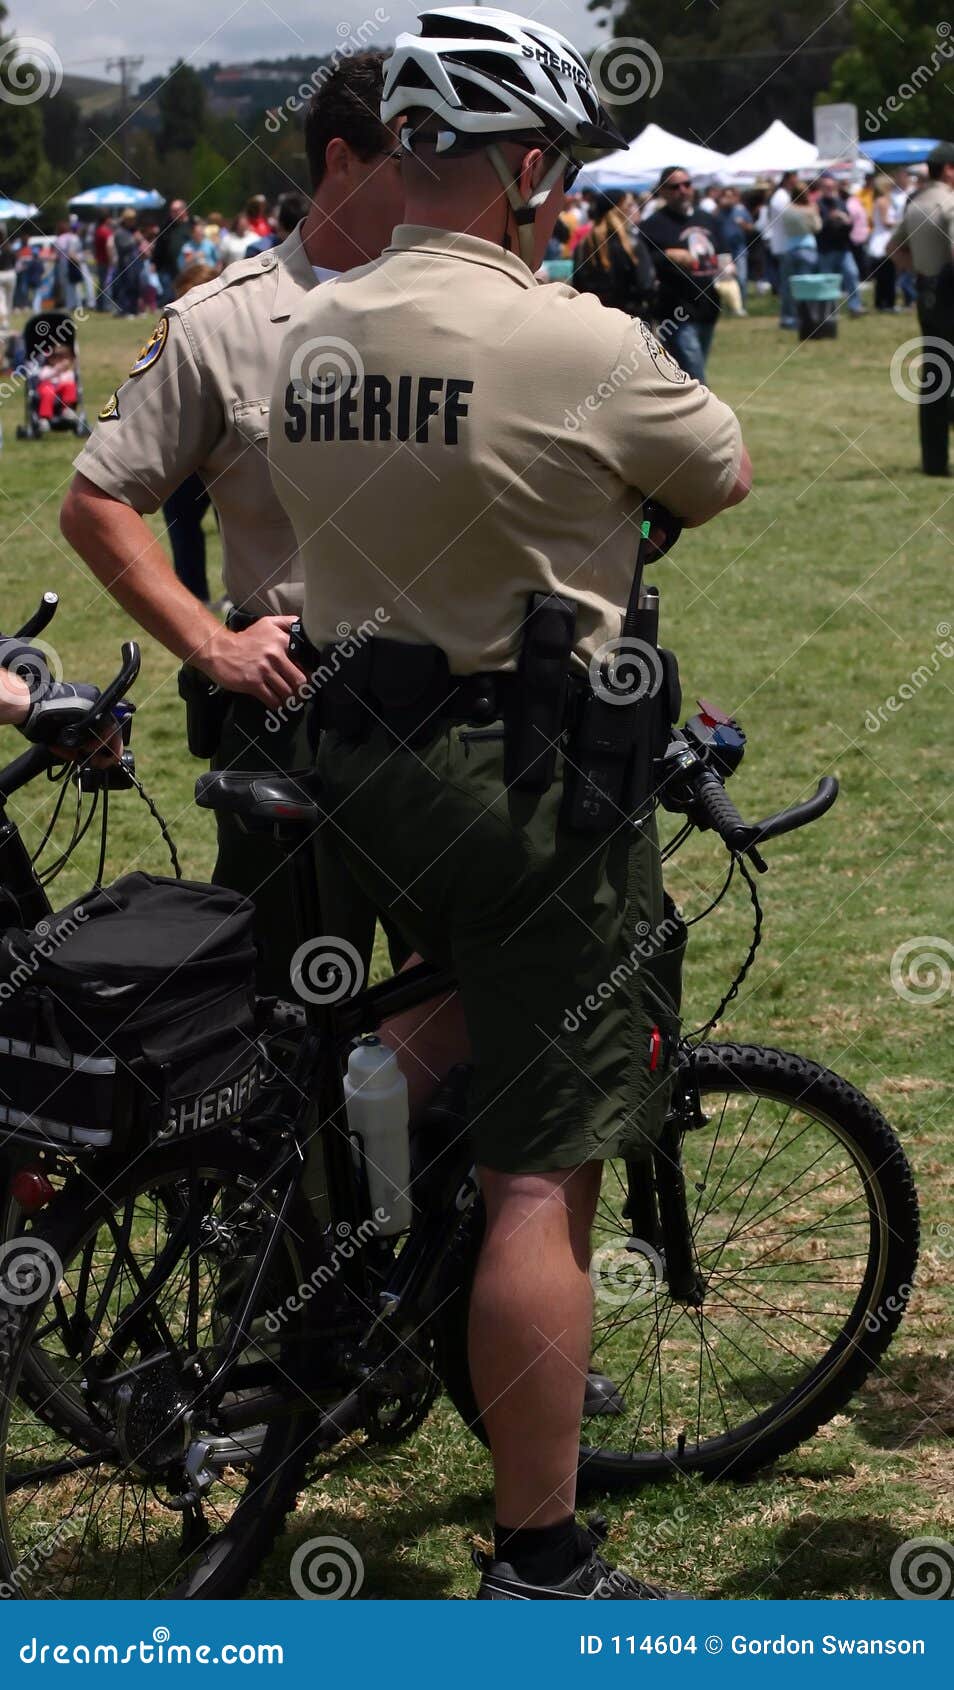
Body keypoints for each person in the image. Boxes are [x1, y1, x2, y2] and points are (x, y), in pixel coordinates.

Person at [269, 4, 751, 1601]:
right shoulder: (571, 337)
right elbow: (718, 473)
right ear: (529, 166)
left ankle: (363, 1246)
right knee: (541, 1169)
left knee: (421, 1025)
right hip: (520, 779)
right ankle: (541, 1552)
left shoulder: (310, 325)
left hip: (350, 765)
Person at [59, 52, 408, 1005]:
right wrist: (212, 645)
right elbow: (96, 501)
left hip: (454, 705)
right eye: (411, 159)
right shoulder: (222, 323)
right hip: (297, 705)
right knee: (286, 1009)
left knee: (457, 995)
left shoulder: (470, 310)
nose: (437, 183)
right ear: (342, 160)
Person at [888, 142, 954, 476]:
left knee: (936, 378)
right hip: (950, 293)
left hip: (927, 296)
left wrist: (920, 272)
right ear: (949, 170)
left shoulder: (916, 203)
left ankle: (934, 460)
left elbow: (893, 247)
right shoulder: (950, 203)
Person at [640, 166, 722, 382]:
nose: (683, 190)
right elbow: (644, 261)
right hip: (675, 311)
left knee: (693, 370)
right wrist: (667, 255)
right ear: (662, 191)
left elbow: (722, 250)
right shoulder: (652, 225)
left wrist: (727, 265)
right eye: (675, 187)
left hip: (707, 305)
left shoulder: (706, 219)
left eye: (687, 184)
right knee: (694, 375)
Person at [571, 189, 656, 318]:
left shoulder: (584, 245)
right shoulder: (632, 244)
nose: (635, 209)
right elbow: (645, 285)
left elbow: (578, 286)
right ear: (618, 210)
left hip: (595, 319)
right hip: (630, 318)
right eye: (629, 205)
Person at [815, 173, 864, 317]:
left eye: (831, 186)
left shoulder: (840, 203)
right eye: (826, 186)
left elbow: (849, 226)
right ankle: (830, 311)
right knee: (828, 281)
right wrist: (830, 219)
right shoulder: (818, 204)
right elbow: (817, 228)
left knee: (852, 274)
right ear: (821, 188)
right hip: (825, 249)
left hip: (843, 248)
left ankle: (855, 307)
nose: (829, 189)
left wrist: (845, 220)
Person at [765, 169, 798, 323]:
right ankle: (788, 317)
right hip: (784, 245)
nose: (797, 181)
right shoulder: (781, 197)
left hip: (786, 244)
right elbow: (789, 218)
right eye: (795, 177)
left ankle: (789, 315)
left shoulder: (783, 196)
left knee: (788, 282)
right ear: (787, 179)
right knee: (788, 283)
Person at [715, 184, 754, 305]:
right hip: (724, 252)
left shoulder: (741, 210)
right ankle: (729, 306)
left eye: (730, 197)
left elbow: (751, 228)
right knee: (725, 280)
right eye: (726, 197)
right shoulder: (718, 212)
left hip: (739, 250)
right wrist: (719, 206)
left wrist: (743, 225)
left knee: (741, 278)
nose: (728, 199)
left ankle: (742, 305)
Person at [153, 199, 191, 303]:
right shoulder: (166, 226)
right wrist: (154, 262)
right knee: (169, 296)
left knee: (185, 294)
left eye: (176, 210)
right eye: (172, 211)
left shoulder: (191, 225)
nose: (173, 213)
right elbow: (158, 245)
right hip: (166, 268)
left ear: (184, 210)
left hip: (185, 267)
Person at [35, 343, 79, 434]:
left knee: (70, 386)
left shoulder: (68, 372)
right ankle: (44, 418)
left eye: (62, 358)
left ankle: (67, 410)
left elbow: (70, 380)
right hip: (48, 388)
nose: (58, 360)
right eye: (55, 357)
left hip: (61, 391)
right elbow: (42, 377)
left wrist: (64, 372)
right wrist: (56, 370)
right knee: (48, 392)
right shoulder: (47, 369)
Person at [111, 210, 143, 316]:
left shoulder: (132, 231)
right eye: (130, 219)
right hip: (125, 264)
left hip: (135, 263)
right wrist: (134, 240)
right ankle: (124, 311)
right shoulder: (120, 232)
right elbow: (122, 247)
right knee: (126, 288)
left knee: (135, 287)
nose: (133, 221)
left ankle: (134, 310)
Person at [93, 214, 114, 311]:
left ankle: (100, 306)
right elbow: (109, 246)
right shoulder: (106, 231)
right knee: (107, 284)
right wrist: (111, 260)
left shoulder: (98, 231)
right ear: (106, 220)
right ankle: (106, 306)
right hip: (106, 261)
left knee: (101, 284)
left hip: (100, 260)